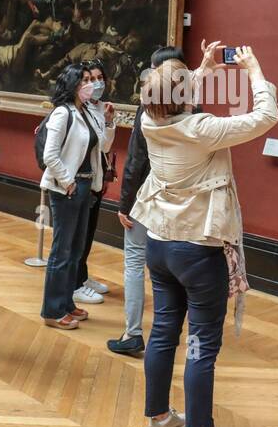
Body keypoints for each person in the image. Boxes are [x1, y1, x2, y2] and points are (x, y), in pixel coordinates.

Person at [130, 41, 278, 427]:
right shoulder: (202, 128)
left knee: (162, 332)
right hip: (197, 249)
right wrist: (252, 69)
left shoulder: (148, 120)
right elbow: (265, 117)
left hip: (159, 242)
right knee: (201, 346)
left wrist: (203, 68)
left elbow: (168, 97)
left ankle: (158, 418)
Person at [109, 45, 185, 357]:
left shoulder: (150, 107)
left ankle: (133, 332)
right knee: (172, 267)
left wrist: (125, 203)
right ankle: (168, 333)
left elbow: (136, 161)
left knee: (135, 260)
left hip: (147, 196)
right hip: (180, 199)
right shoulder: (192, 108)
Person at [39, 63, 113, 329]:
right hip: (67, 189)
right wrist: (68, 182)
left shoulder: (87, 112)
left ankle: (67, 303)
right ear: (72, 84)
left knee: (75, 250)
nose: (89, 85)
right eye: (83, 80)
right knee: (62, 251)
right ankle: (52, 310)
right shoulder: (62, 113)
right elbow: (50, 155)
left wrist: (109, 121)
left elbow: (103, 146)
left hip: (86, 186)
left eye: (89, 80)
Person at [71, 58, 117, 306]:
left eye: (100, 78)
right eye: (90, 79)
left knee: (88, 232)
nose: (96, 83)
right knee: (77, 235)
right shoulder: (76, 109)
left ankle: (82, 276)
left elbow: (106, 146)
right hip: (78, 180)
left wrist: (109, 121)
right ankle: (74, 284)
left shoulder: (100, 107)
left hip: (96, 178)